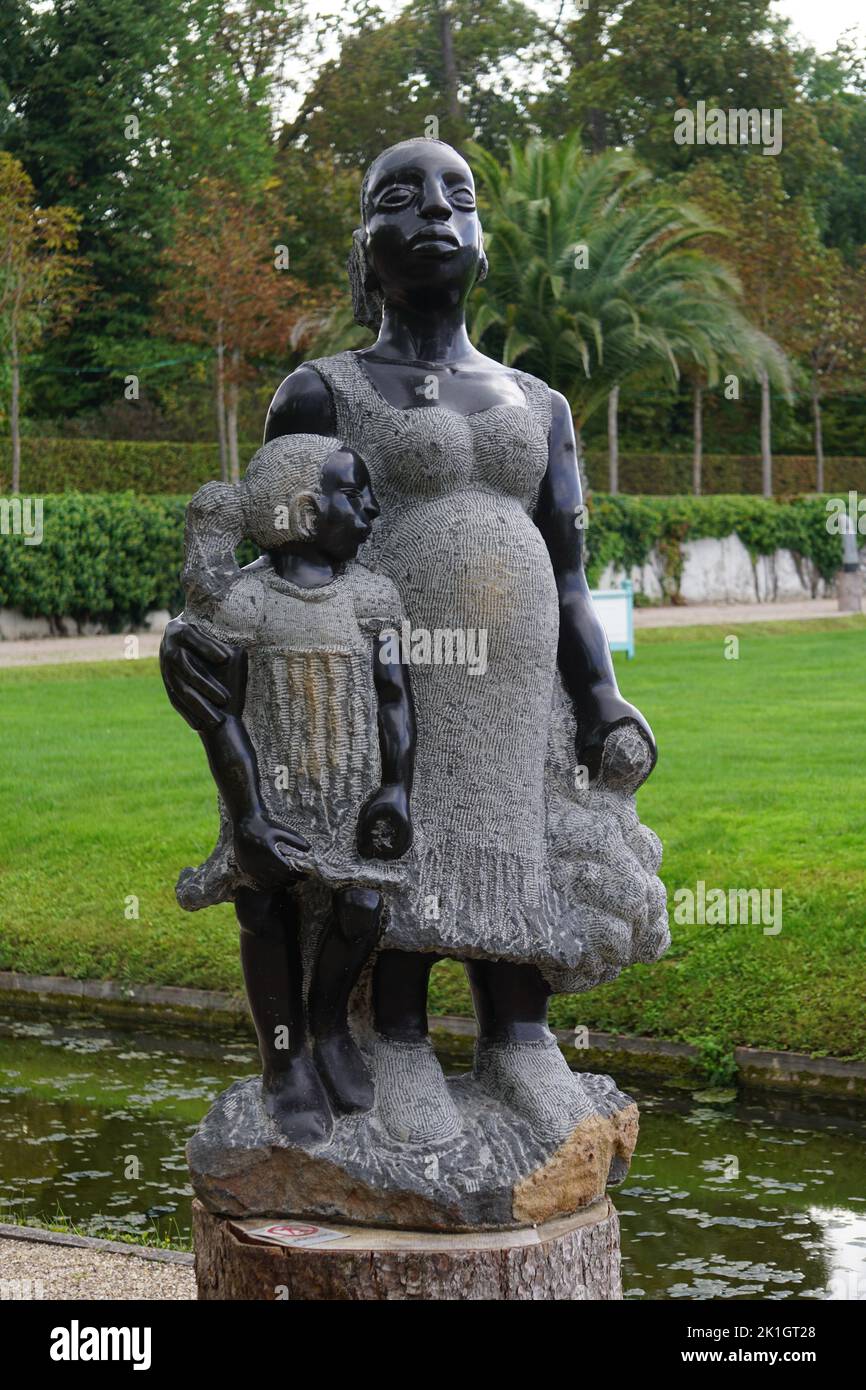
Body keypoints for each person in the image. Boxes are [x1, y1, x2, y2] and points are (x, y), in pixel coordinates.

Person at [162, 138, 669, 1149]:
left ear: (480, 236)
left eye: (458, 197)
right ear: (366, 244)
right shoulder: (321, 389)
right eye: (400, 195)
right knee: (397, 840)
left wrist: (602, 692)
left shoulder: (539, 404)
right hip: (387, 672)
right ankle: (393, 1039)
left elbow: (569, 569)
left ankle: (516, 1034)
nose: (435, 212)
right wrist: (206, 623)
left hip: (523, 681)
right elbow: (278, 543)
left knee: (518, 835)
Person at [169, 433, 415, 1143]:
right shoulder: (244, 603)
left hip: (355, 793)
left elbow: (396, 701)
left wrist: (395, 788)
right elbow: (221, 721)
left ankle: (330, 1022)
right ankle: (285, 1059)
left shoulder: (374, 597)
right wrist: (247, 814)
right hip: (267, 799)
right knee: (264, 911)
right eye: (354, 493)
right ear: (306, 509)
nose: (371, 506)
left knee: (363, 906)